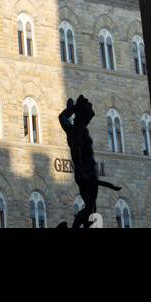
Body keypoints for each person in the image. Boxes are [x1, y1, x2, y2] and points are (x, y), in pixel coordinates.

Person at [58, 95, 120, 229]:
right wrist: (80, 170)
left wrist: (71, 109)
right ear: (84, 115)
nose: (91, 117)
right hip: (86, 173)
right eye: (89, 115)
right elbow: (75, 149)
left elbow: (62, 118)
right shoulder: (78, 131)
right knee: (90, 208)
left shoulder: (75, 129)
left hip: (88, 172)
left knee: (91, 208)